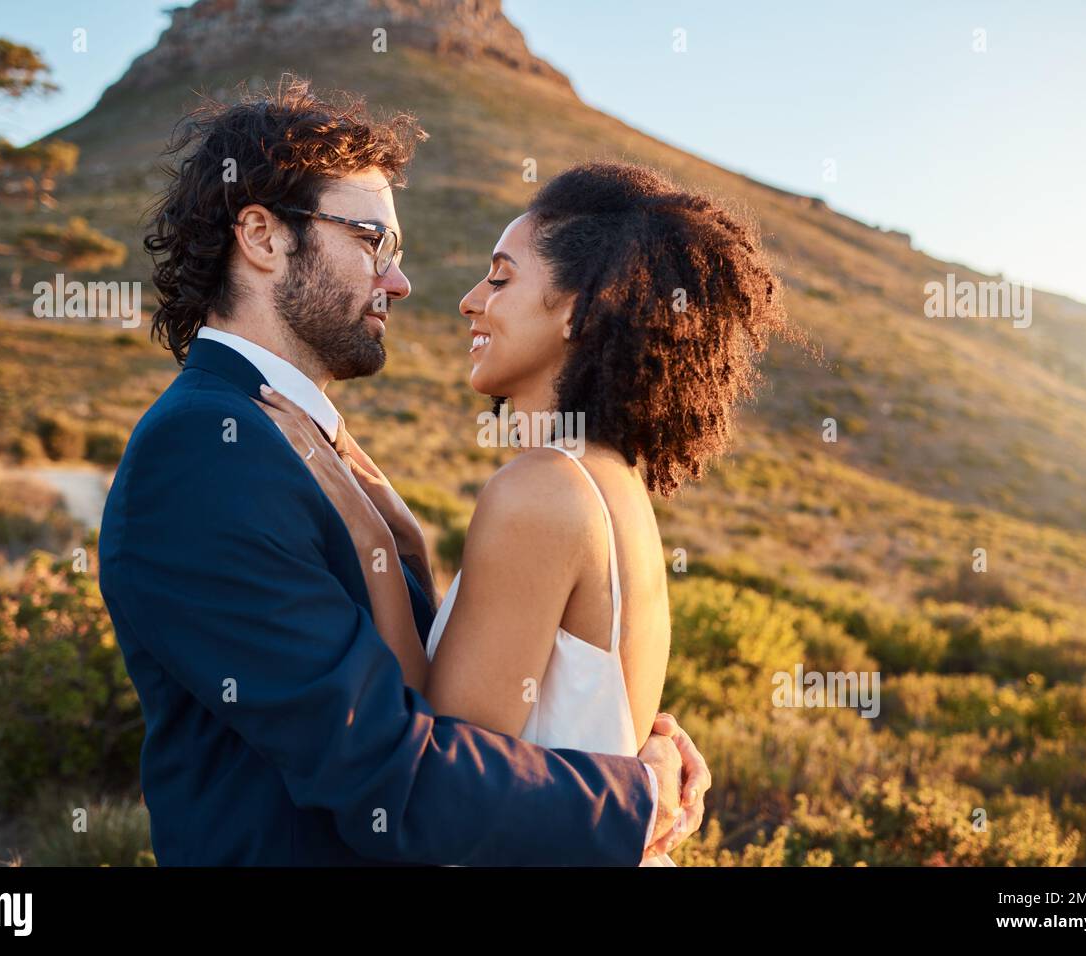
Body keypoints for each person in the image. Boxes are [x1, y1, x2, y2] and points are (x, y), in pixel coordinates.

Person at [98, 78, 708, 866]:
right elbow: (390, 772)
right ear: (262, 236)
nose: (401, 282)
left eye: (398, 253)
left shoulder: (297, 442)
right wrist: (634, 796)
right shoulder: (202, 455)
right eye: (370, 241)